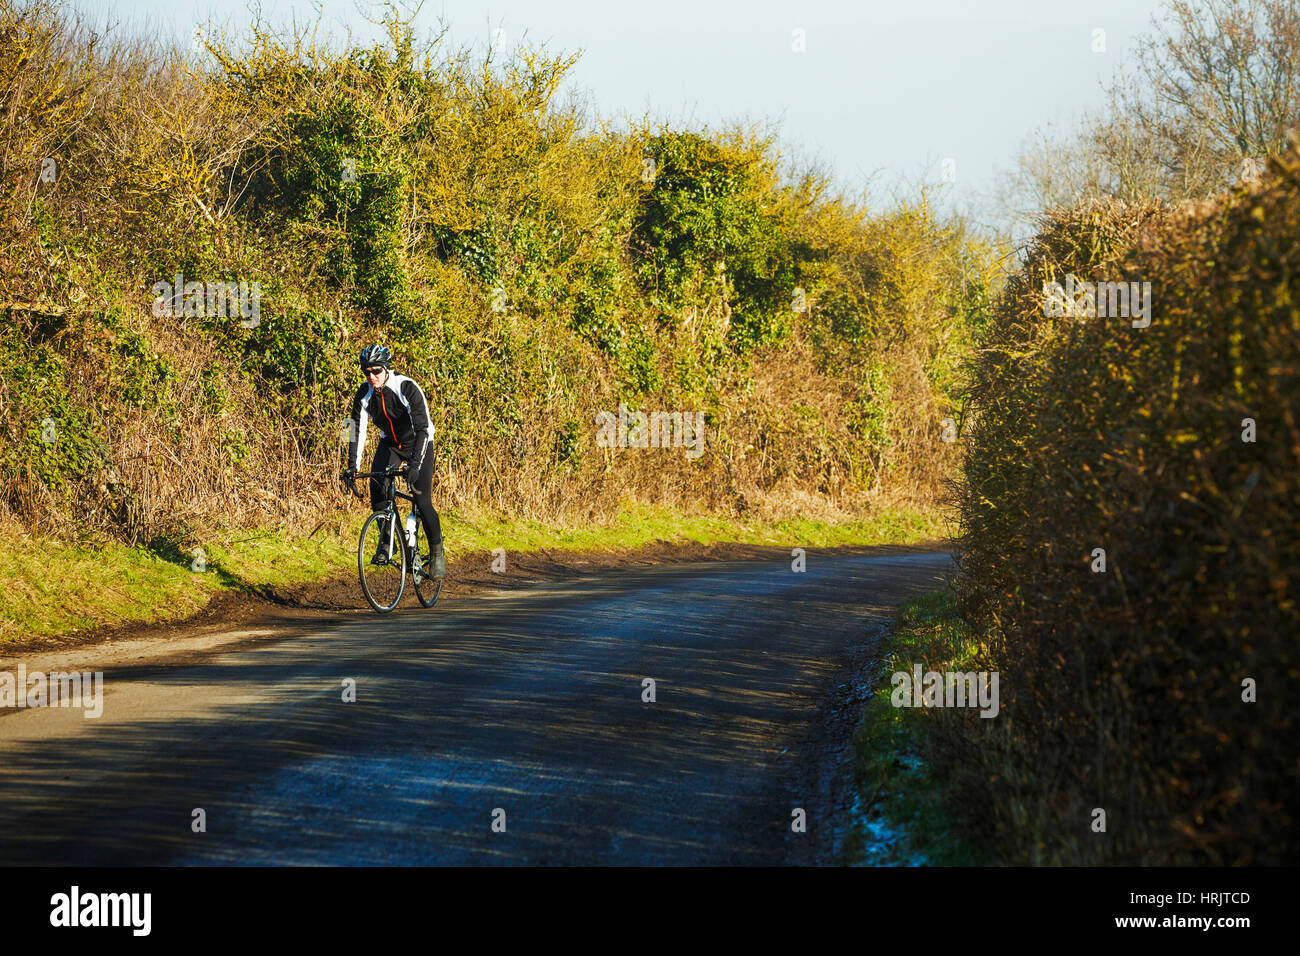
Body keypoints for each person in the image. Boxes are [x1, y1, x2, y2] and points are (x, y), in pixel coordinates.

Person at [342, 344, 445, 578]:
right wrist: (352, 467)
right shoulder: (364, 393)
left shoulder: (406, 387)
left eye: (376, 371)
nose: (371, 377)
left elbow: (422, 429)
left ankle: (437, 553)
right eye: (366, 372)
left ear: (386, 369)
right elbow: (355, 430)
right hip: (391, 444)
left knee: (422, 498)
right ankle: (389, 543)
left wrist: (415, 466)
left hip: (419, 442)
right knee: (377, 489)